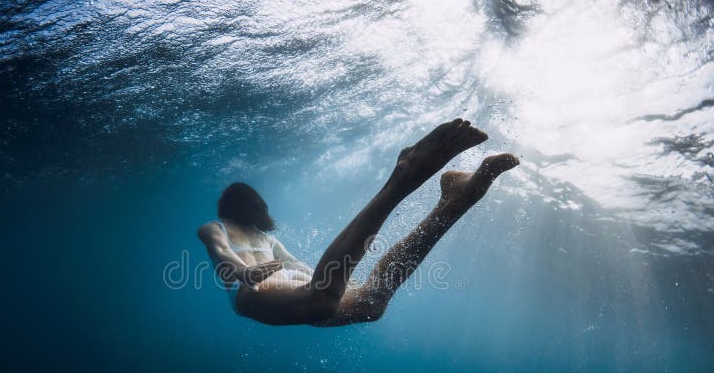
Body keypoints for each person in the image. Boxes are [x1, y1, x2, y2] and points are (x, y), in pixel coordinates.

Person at [197, 119, 519, 326]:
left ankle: (402, 177)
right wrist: (243, 272)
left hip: (281, 286)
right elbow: (222, 253)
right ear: (242, 205)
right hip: (250, 291)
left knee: (327, 298)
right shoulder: (216, 227)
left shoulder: (262, 238)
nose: (263, 212)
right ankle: (453, 203)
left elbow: (293, 263)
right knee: (372, 304)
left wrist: (335, 283)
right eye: (257, 206)